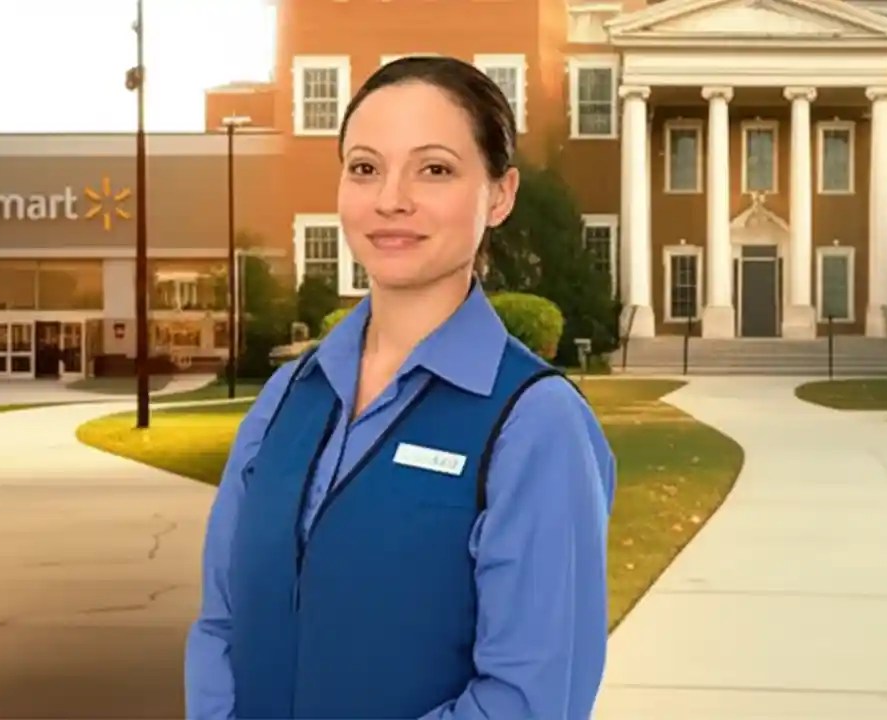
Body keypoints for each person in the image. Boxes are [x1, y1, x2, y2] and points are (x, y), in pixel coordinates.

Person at [184, 55, 616, 720]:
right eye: (365, 167)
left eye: (435, 168)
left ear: (499, 195)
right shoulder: (286, 399)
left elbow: (528, 700)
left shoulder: (534, 423)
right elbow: (222, 625)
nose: (391, 198)